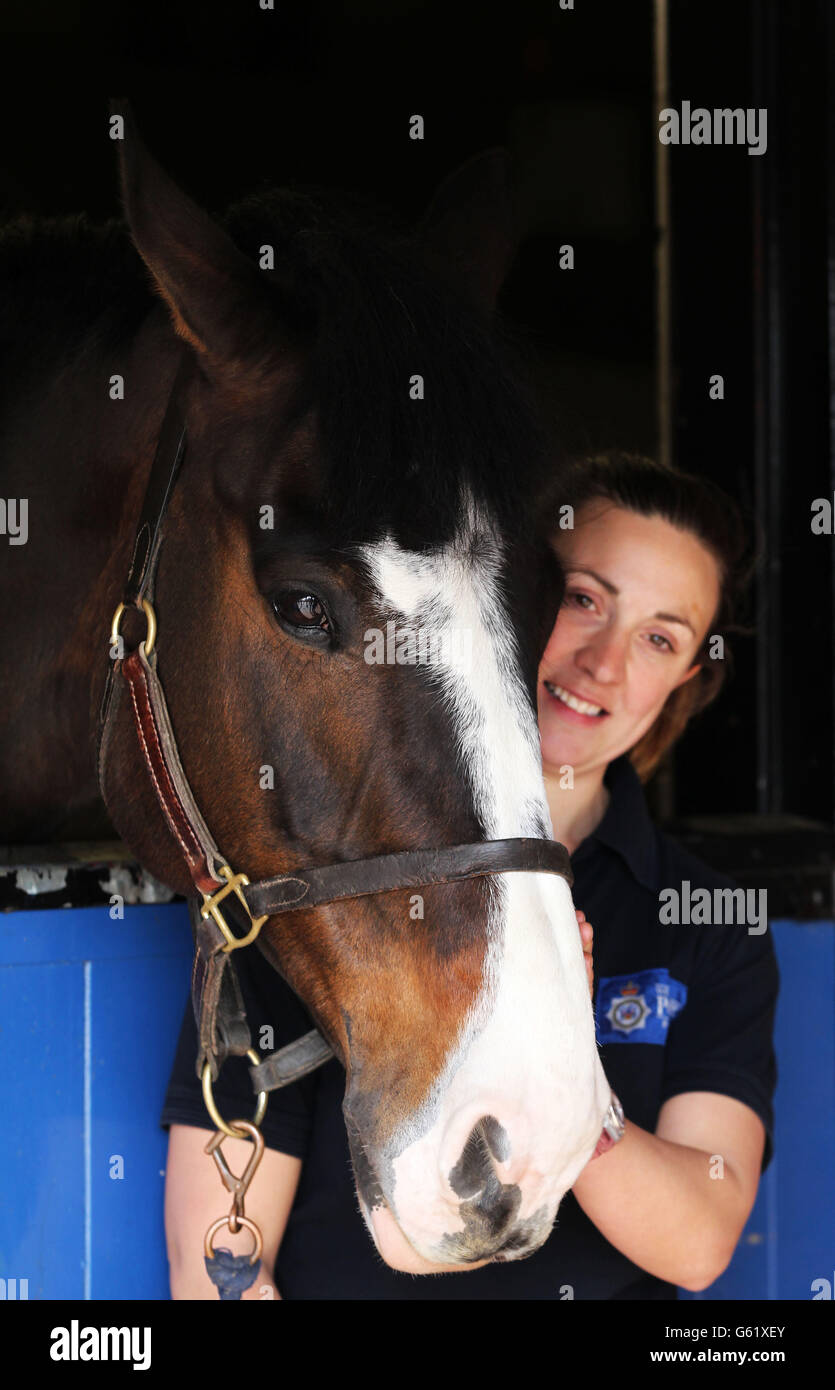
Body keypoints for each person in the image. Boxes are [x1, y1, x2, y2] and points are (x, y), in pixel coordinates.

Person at [160, 450, 778, 1300]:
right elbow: (220, 1267)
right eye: (583, 599)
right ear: (504, 596)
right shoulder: (318, 878)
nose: (603, 661)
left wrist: (571, 1070)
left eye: (659, 637)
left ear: (683, 681)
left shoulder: (705, 921)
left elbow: (698, 1244)